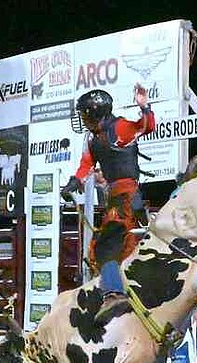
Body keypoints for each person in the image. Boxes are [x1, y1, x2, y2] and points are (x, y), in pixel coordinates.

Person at [61, 85, 155, 318]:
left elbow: (146, 126)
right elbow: (86, 165)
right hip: (117, 197)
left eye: (85, 114)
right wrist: (74, 182)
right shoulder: (94, 140)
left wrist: (144, 107)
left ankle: (114, 293)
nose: (82, 119)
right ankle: (124, 293)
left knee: (105, 247)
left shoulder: (119, 127)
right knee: (121, 248)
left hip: (126, 196)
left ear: (96, 113)